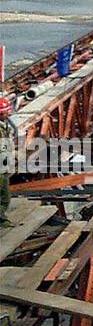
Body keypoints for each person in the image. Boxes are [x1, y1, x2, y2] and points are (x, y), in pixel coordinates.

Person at [0, 96, 16, 229]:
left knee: (5, 195)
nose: (7, 115)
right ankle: (2, 220)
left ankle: (2, 218)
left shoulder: (5, 125)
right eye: (5, 112)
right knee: (3, 194)